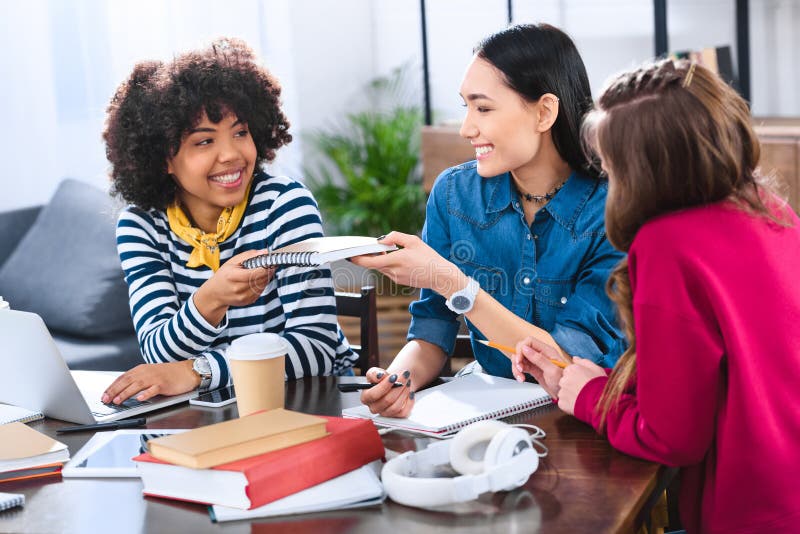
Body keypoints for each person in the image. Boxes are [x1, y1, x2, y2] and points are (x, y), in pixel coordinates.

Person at [512, 59, 800, 533]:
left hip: (748, 515)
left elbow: (672, 440)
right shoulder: (768, 208)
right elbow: (731, 378)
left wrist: (590, 399)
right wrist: (600, 384)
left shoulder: (667, 246)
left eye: (610, 167)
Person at [352, 24, 626, 417]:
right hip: (488, 417)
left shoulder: (612, 210)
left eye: (483, 108)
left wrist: (450, 280)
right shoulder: (453, 196)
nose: (467, 128)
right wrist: (396, 381)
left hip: (585, 423)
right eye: (465, 107)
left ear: (545, 111)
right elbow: (431, 331)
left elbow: (564, 362)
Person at [101, 38, 357, 405]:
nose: (231, 155)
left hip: (306, 402)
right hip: (212, 410)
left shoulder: (283, 205)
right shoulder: (141, 226)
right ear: (163, 158)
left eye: (240, 133)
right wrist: (211, 299)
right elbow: (158, 355)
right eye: (204, 142)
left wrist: (197, 371)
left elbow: (316, 350)